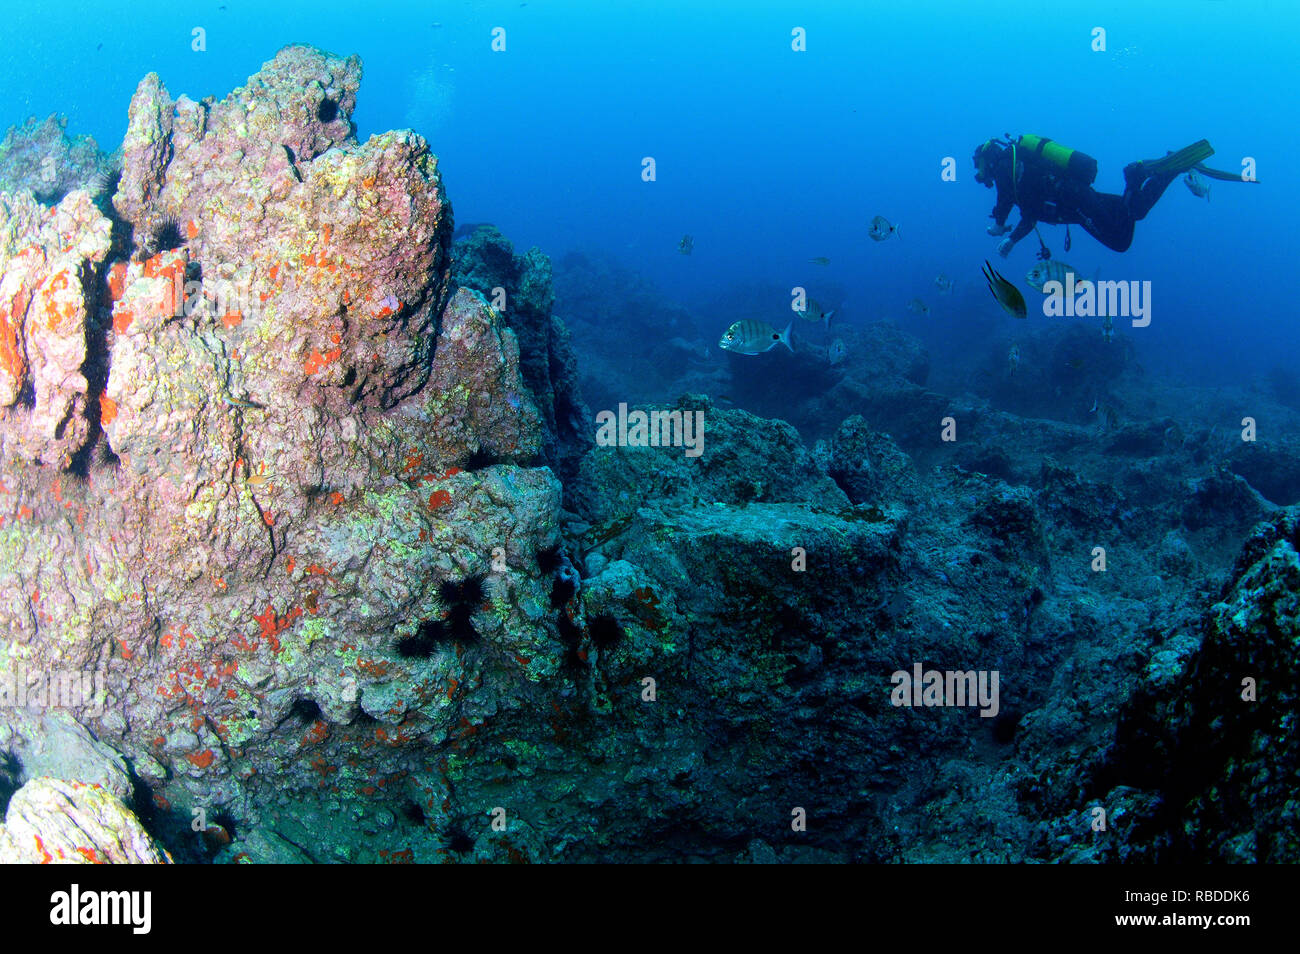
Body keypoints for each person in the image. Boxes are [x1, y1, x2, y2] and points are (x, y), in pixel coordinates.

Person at [973, 135, 1215, 255]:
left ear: (987, 159)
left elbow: (1003, 198)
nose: (981, 175)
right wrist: (1012, 240)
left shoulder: (1005, 166)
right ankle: (1168, 170)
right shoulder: (1019, 178)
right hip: (1079, 198)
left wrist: (998, 225)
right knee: (1132, 210)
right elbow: (1030, 215)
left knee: (1121, 241)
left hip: (1076, 203)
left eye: (979, 167)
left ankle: (1134, 175)